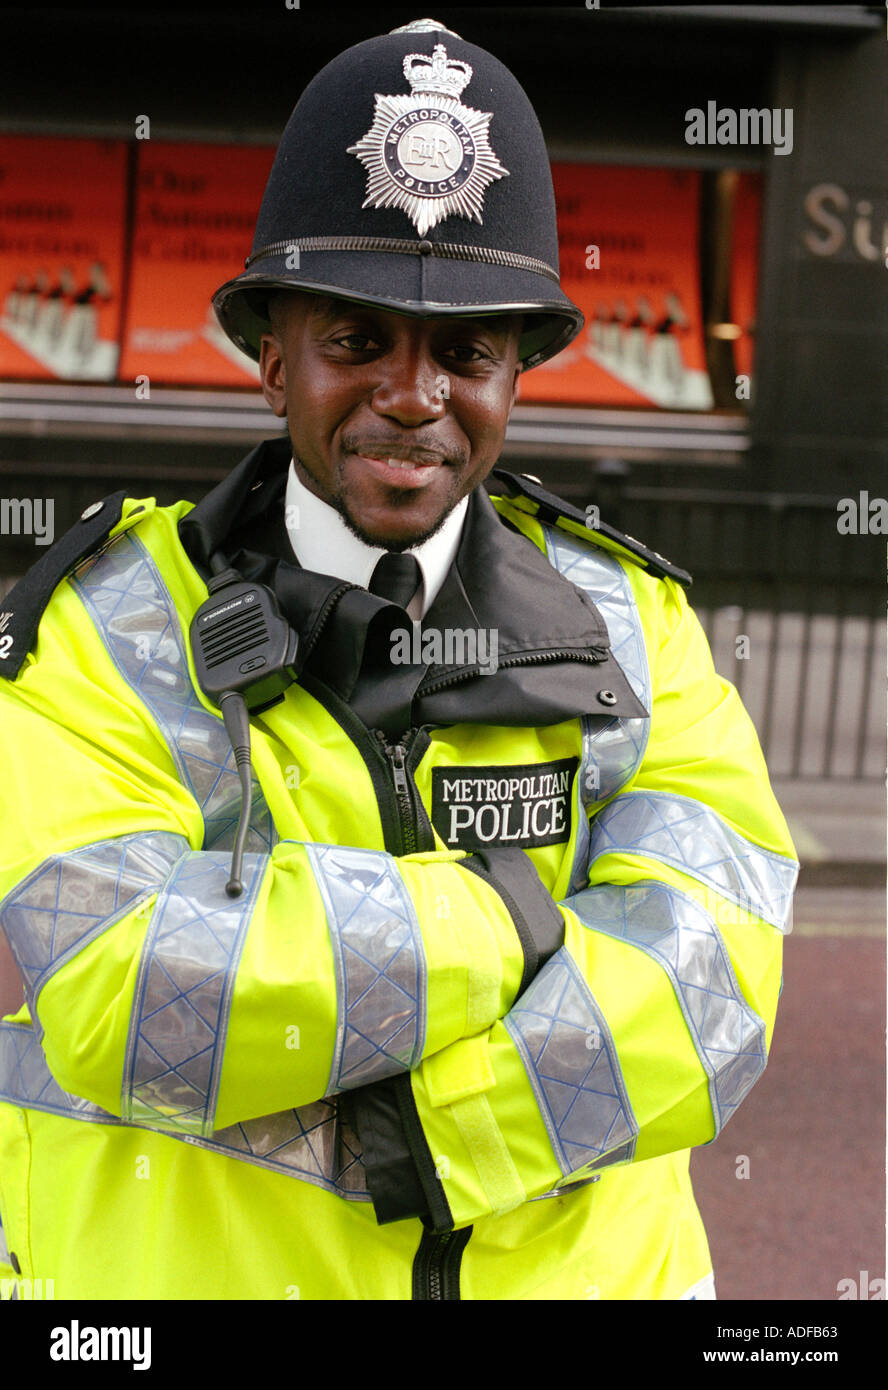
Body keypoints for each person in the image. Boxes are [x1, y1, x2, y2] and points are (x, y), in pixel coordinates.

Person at [0, 17, 797, 1301]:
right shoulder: (104, 629)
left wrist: (436, 1137)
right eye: (357, 340)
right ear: (272, 358)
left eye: (466, 351)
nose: (414, 394)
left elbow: (711, 985)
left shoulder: (632, 621)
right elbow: (129, 991)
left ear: (518, 377)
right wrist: (511, 917)